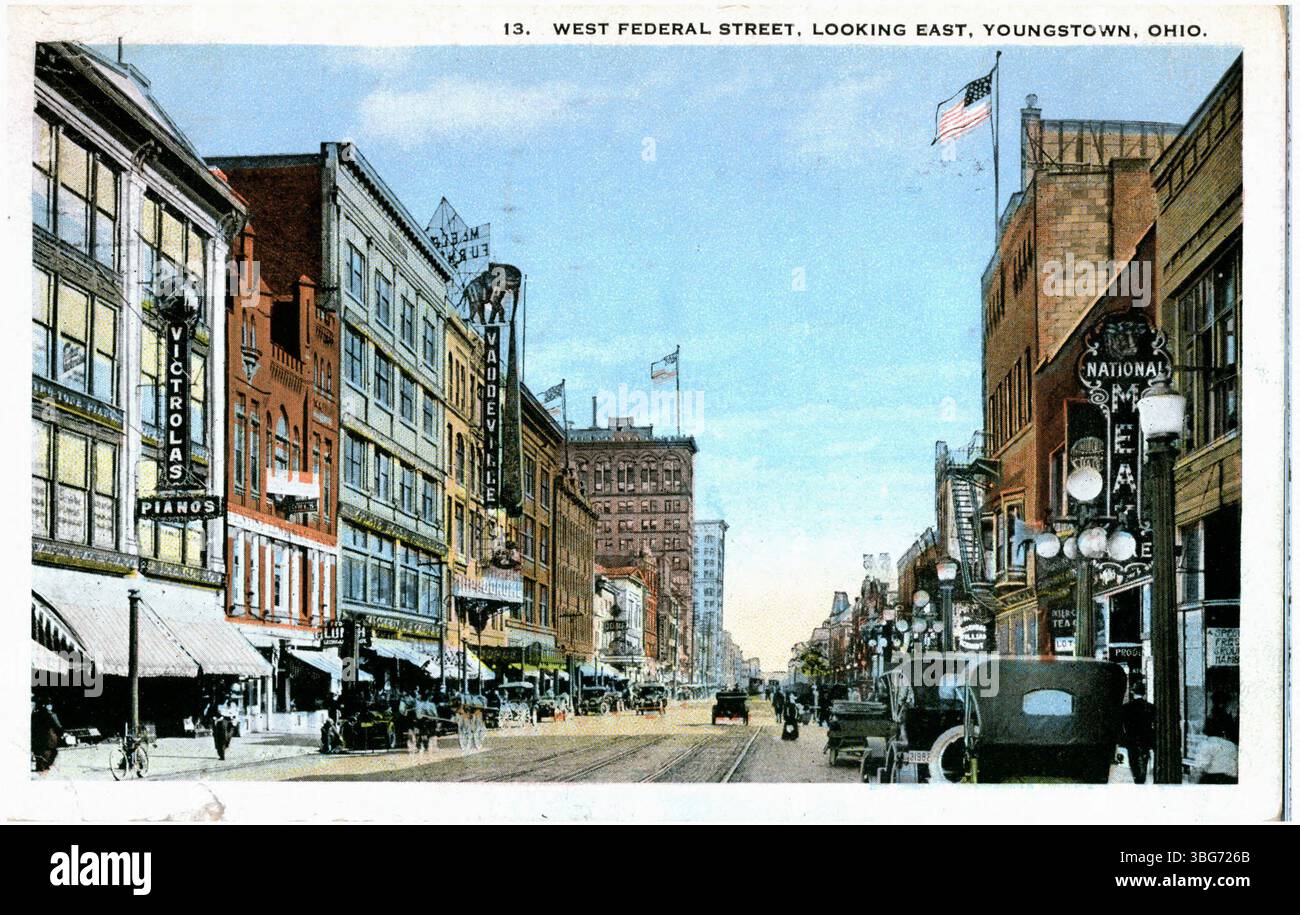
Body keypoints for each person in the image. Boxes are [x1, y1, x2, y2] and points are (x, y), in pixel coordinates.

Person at [1119, 683, 1156, 784]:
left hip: (1131, 740)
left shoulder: (1126, 708)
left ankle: (1137, 779)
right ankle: (1141, 778)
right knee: (1144, 761)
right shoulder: (1151, 707)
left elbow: (1120, 725)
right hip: (1145, 740)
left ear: (1132, 692)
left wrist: (1123, 738)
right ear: (1144, 693)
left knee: (1133, 762)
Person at [31, 699, 62, 772]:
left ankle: (40, 766)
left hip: (37, 736)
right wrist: (61, 732)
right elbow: (57, 726)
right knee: (50, 751)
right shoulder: (50, 714)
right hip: (48, 736)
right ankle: (44, 766)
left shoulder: (34, 714)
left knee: (39, 751)